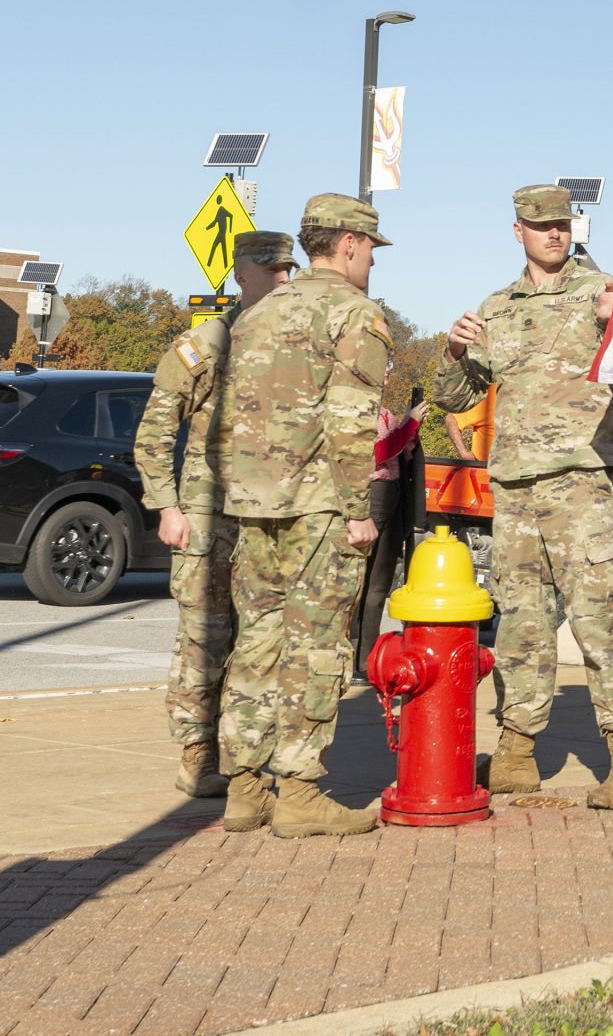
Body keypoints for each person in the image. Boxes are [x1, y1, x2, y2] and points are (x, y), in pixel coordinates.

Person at [431, 184, 613, 810]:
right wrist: (451, 349)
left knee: (599, 615)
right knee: (521, 621)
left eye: (561, 224)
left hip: (581, 478)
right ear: (518, 231)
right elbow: (453, 396)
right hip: (516, 486)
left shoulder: (602, 294)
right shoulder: (496, 309)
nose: (552, 234)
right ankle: (518, 748)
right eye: (539, 225)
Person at [216, 195, 395, 838]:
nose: (373, 261)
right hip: (318, 507)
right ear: (348, 244)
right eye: (371, 248)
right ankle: (298, 792)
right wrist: (357, 510)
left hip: (254, 504)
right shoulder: (354, 313)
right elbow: (350, 423)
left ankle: (243, 788)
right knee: (317, 645)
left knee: (256, 641)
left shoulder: (258, 314)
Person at [132, 230, 298, 799]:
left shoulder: (290, 343)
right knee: (205, 636)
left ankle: (247, 757)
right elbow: (154, 432)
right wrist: (166, 506)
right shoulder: (205, 343)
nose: (282, 280)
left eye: (288, 271)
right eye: (271, 270)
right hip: (206, 512)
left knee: (261, 639)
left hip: (268, 514)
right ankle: (199, 754)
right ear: (240, 274)